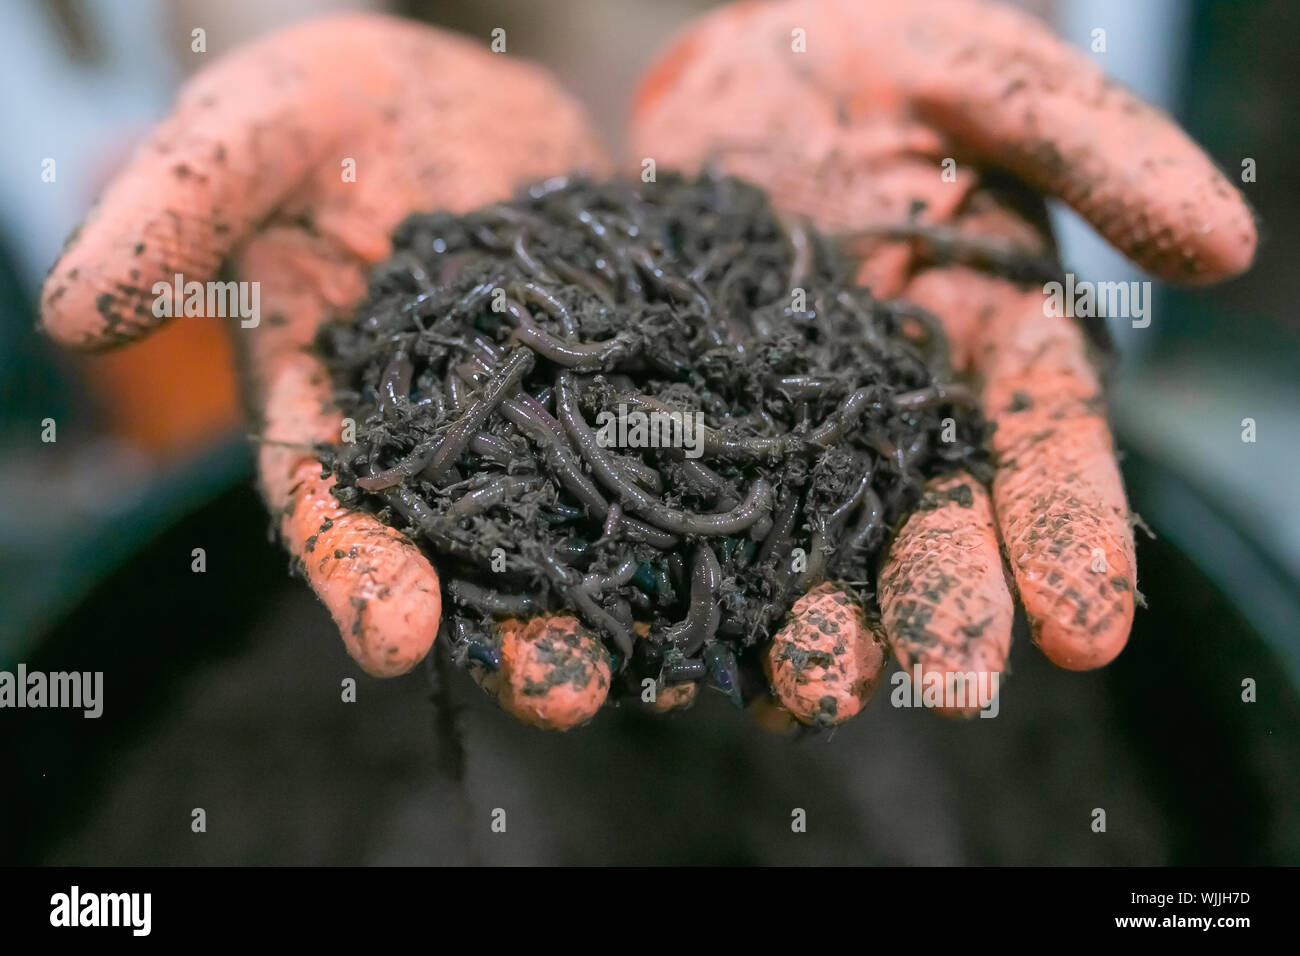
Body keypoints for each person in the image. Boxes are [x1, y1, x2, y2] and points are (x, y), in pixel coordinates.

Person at [39, 0, 1256, 729]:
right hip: (445, 107)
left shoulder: (795, 318)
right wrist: (295, 33)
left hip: (812, 106)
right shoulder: (473, 325)